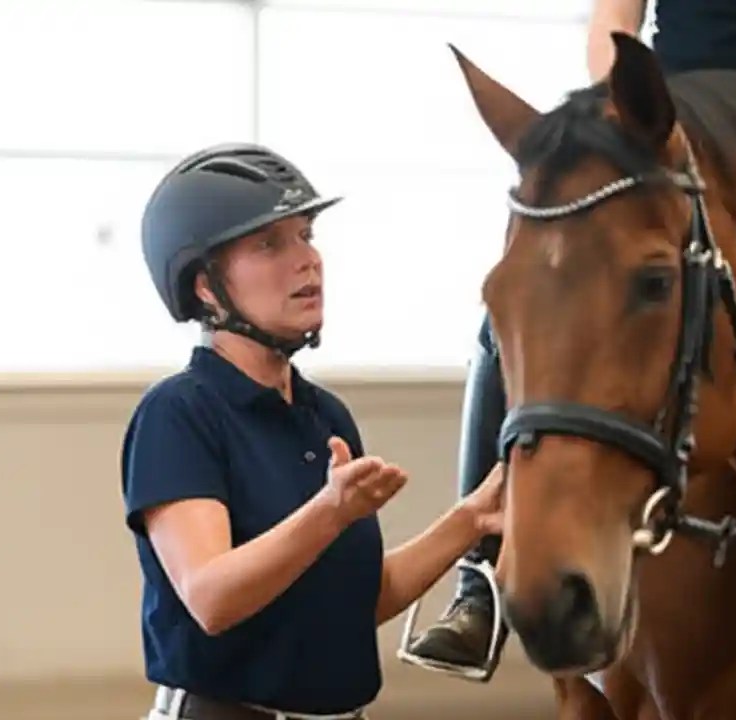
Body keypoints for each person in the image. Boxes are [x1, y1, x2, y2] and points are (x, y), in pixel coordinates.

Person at [404, 0, 736, 679]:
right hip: (671, 136)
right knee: (520, 304)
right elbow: (613, 29)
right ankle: (481, 586)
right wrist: (625, 128)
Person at [121, 142, 507, 720]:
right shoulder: (178, 413)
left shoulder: (325, 415)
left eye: (306, 235)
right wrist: (330, 512)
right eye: (270, 243)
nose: (308, 259)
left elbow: (357, 600)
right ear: (206, 286)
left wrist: (472, 518)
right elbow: (211, 597)